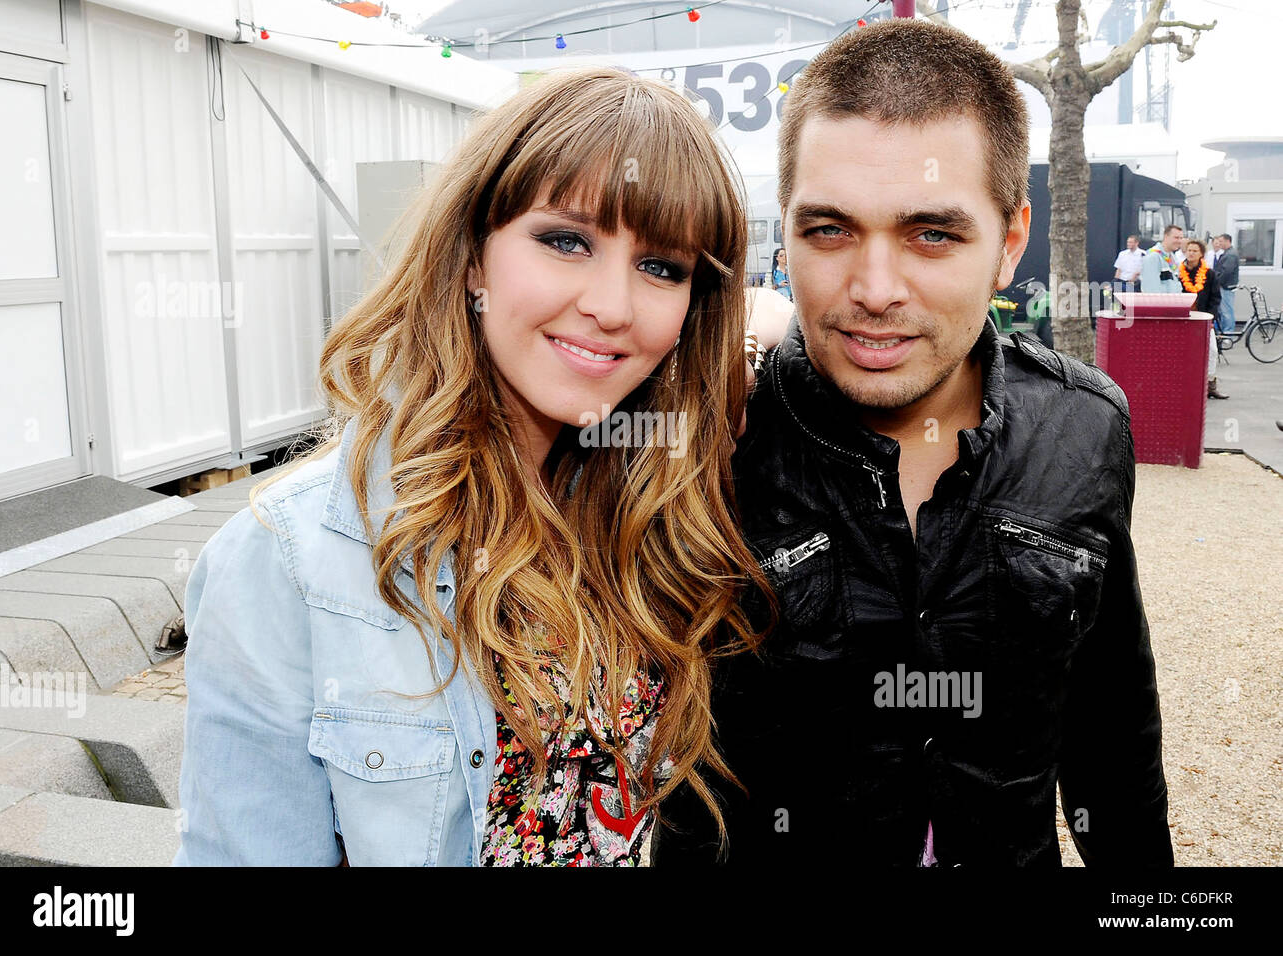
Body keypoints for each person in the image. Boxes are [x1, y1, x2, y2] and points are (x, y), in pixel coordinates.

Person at [173, 66, 780, 866]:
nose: (613, 305)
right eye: (566, 241)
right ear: (471, 258)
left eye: (661, 267)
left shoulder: (661, 504)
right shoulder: (289, 560)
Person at [653, 17, 1172, 867]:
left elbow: (1109, 727)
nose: (875, 289)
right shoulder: (710, 432)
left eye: (932, 233)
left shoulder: (1086, 427)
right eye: (829, 230)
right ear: (781, 236)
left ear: (1009, 243)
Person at [1180, 239, 1228, 400]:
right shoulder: (1178, 272)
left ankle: (1210, 385)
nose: (1191, 253)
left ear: (1201, 254)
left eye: (1195, 250)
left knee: (1212, 350)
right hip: (1182, 319)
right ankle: (1186, 384)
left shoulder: (1209, 274)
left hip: (1204, 318)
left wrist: (1210, 317)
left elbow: (1215, 298)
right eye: (1189, 250)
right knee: (1184, 352)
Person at [1141, 225, 1184, 292]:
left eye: (1181, 238)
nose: (1179, 241)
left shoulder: (1173, 258)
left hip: (1173, 301)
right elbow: (1151, 289)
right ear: (1166, 236)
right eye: (1176, 238)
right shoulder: (1153, 257)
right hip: (1160, 302)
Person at [1211, 233, 1240, 335]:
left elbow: (1226, 272)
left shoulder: (1230, 254)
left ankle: (1228, 333)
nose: (1219, 243)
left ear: (1228, 241)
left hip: (1225, 287)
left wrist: (1217, 283)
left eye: (1221, 241)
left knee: (1226, 311)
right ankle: (1224, 332)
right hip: (1225, 286)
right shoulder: (1228, 253)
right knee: (1223, 311)